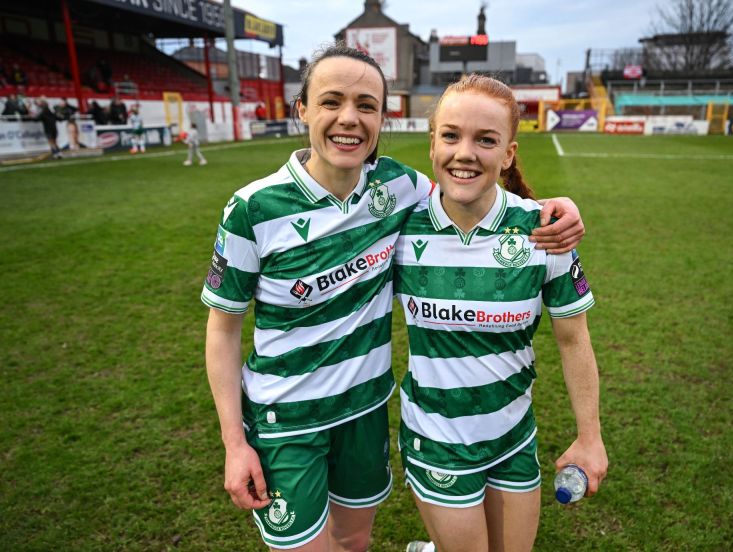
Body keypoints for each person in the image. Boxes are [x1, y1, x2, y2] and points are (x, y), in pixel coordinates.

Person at [202, 45, 585, 552]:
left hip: (364, 411)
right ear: (303, 109)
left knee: (355, 540)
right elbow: (223, 328)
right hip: (286, 423)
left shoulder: (398, 187)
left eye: (366, 105)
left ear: (383, 117)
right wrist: (234, 442)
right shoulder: (252, 209)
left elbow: (468, 189)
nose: (348, 119)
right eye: (331, 101)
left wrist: (551, 208)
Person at [398, 75, 607, 552]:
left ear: (508, 153)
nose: (465, 152)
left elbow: (574, 339)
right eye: (450, 135)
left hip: (513, 436)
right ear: (433, 144)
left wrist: (589, 437)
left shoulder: (543, 232)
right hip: (437, 440)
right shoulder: (399, 230)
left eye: (485, 140)